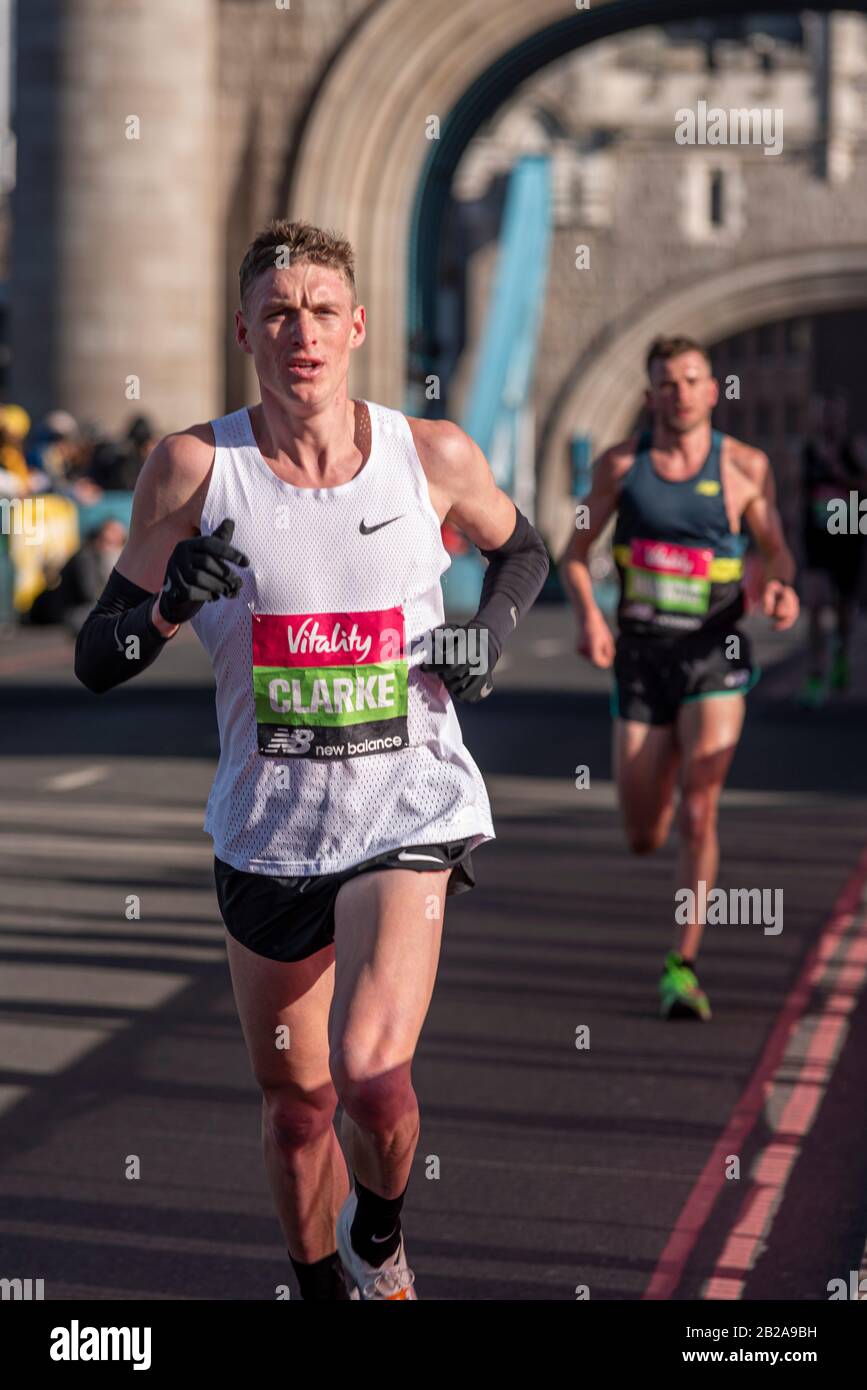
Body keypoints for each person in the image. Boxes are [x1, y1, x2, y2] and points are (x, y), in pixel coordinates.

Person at [74, 218, 549, 1299]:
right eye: (280, 312)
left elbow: (525, 549)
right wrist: (163, 611)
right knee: (299, 1109)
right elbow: (98, 658)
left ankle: (377, 1234)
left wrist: (491, 633)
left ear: (357, 327)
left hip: (407, 806)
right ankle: (318, 1280)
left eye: (324, 311)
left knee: (375, 1074)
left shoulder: (430, 456)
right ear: (245, 329)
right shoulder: (194, 468)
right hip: (269, 828)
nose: (304, 331)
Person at [559, 335, 798, 1021]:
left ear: (711, 389)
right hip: (639, 658)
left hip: (712, 653)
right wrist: (588, 621)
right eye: (666, 383)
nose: (680, 394)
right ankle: (659, 798)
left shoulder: (744, 467)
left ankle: (682, 964)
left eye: (692, 380)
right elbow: (574, 555)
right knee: (643, 831)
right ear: (648, 396)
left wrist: (780, 591)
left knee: (700, 805)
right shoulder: (619, 466)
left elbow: (775, 553)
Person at [799, 392, 866, 706]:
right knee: (814, 603)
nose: (828, 422)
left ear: (843, 418)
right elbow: (802, 493)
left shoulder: (855, 449)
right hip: (817, 537)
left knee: (843, 608)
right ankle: (815, 672)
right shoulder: (810, 451)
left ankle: (840, 657)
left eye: (834, 415)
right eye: (824, 415)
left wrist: (839, 470)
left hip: (848, 529)